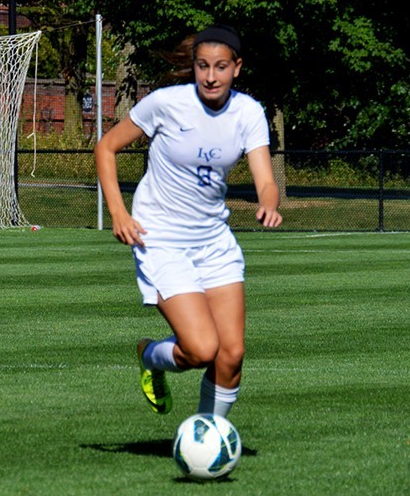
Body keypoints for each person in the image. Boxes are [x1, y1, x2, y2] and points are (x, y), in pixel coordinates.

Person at [94, 25, 282, 419]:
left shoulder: (249, 112)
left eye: (220, 67)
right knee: (201, 350)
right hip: (161, 239)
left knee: (231, 354)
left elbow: (266, 180)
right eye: (202, 66)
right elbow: (106, 147)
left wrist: (268, 203)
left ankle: (208, 436)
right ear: (194, 66)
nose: (211, 76)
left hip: (214, 242)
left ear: (237, 67)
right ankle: (149, 355)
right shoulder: (165, 103)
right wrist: (118, 213)